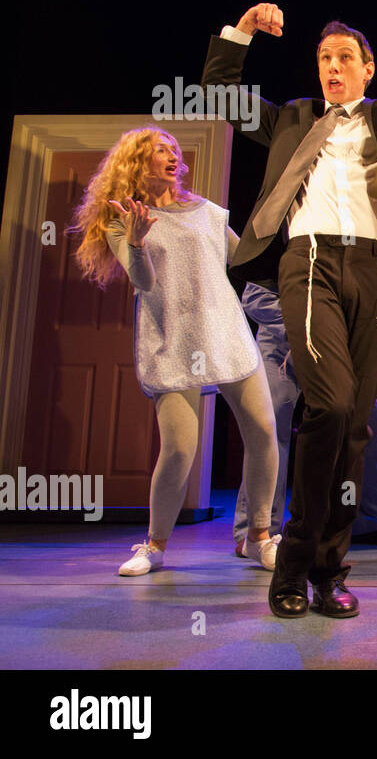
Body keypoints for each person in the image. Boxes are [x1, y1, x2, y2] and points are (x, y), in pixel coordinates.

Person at [201, 1, 377, 618]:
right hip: (305, 264)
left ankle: (330, 573)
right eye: (323, 59)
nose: (332, 69)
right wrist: (242, 32)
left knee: (355, 426)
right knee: (328, 404)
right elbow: (219, 94)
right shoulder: (290, 118)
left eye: (344, 59)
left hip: (374, 266)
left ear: (368, 69)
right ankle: (294, 563)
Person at [69, 127, 279, 576]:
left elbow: (247, 264)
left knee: (263, 430)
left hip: (225, 332)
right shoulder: (120, 219)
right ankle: (154, 545)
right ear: (136, 162)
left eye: (173, 151)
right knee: (180, 449)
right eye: (159, 150)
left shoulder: (207, 212)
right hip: (171, 339)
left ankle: (258, 536)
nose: (171, 156)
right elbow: (143, 283)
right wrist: (137, 240)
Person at [231, 282, 377, 554]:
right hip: (281, 346)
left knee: (368, 422)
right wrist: (310, 321)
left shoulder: (346, 247)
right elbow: (254, 299)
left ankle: (365, 519)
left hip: (331, 348)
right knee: (270, 426)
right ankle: (256, 528)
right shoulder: (280, 241)